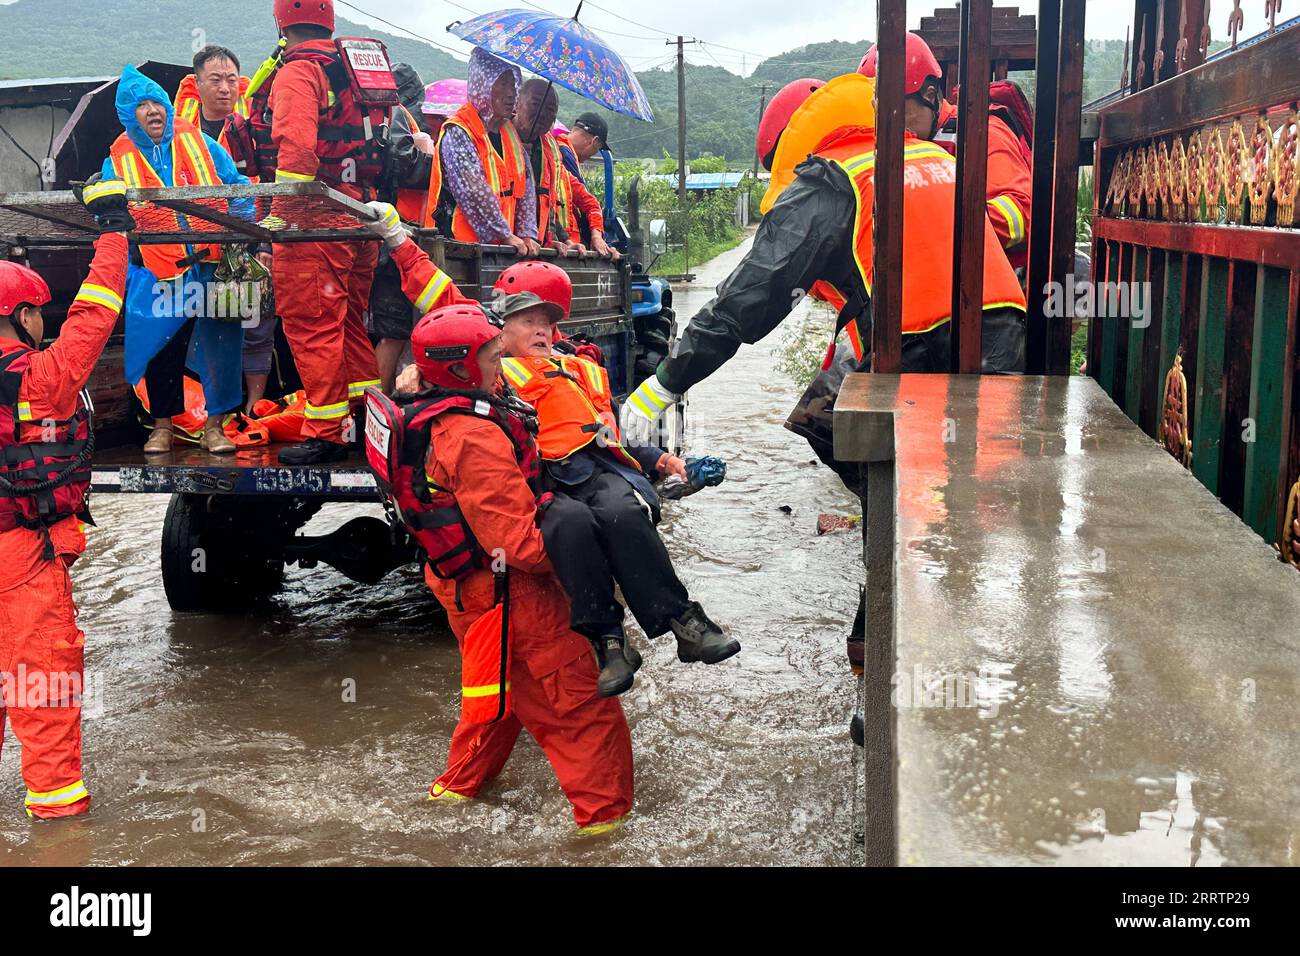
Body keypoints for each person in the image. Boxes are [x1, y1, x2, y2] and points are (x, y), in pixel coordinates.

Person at [620, 30, 1028, 478]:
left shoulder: (831, 179)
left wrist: (666, 382)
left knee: (841, 434)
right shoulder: (925, 154)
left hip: (923, 340)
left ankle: (890, 511)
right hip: (1005, 331)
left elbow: (752, 295)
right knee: (977, 470)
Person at [368, 296, 633, 832]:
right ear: (461, 368)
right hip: (511, 595)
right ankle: (606, 828)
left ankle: (452, 797)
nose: (501, 363)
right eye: (492, 356)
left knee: (498, 694)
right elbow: (519, 545)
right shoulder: (473, 436)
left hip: (465, 589)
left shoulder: (433, 405)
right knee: (579, 707)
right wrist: (592, 543)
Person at [493, 261, 740, 697]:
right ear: (500, 332)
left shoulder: (580, 370)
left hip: (598, 467)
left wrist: (666, 461)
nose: (541, 330)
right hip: (544, 481)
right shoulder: (493, 375)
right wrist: (415, 374)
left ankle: (685, 621)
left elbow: (612, 433)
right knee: (570, 526)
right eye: (528, 321)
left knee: (623, 511)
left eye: (546, 322)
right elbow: (446, 363)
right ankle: (609, 641)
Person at [0, 178, 134, 819]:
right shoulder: (38, 380)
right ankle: (57, 833)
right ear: (21, 316)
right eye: (36, 313)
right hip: (22, 557)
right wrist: (115, 232)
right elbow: (93, 316)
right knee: (42, 685)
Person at [262, 0, 392, 465]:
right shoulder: (357, 70)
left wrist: (281, 219)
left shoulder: (300, 72)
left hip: (314, 223)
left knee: (312, 324)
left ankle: (327, 431)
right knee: (348, 322)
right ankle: (362, 420)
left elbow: (297, 152)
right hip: (361, 218)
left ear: (281, 22)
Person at [102, 65, 250, 454]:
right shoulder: (117, 159)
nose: (153, 111)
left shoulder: (199, 141)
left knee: (222, 344)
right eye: (142, 105)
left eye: (157, 102)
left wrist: (246, 227)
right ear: (128, 115)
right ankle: (162, 427)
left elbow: (237, 185)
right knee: (159, 348)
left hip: (214, 266)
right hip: (158, 272)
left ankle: (215, 428)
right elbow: (106, 209)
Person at [860, 42, 1033, 272]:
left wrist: (941, 226)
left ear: (930, 96)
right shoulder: (914, 144)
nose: (887, 127)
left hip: (1007, 279)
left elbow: (1020, 212)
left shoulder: (982, 132)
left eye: (896, 113)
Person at [423, 48, 540, 257]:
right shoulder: (460, 130)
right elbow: (472, 190)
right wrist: (504, 234)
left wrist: (526, 233)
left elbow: (527, 186)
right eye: (502, 84)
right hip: (458, 248)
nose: (511, 93)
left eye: (513, 84)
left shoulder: (508, 132)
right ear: (483, 86)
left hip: (503, 249)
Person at [372, 63, 437, 393]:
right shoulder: (397, 113)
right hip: (396, 238)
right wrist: (433, 158)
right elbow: (403, 166)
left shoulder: (386, 114)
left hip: (396, 236)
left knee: (394, 329)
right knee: (393, 330)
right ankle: (377, 403)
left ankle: (378, 401)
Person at [513, 81, 617, 259]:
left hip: (543, 246)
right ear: (517, 104)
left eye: (550, 110)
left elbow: (546, 204)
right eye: (536, 104)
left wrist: (560, 239)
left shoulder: (550, 151)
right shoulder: (500, 136)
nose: (542, 115)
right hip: (511, 246)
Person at [173, 45, 251, 146]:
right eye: (215, 80)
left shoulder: (257, 126)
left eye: (231, 80)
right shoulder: (171, 128)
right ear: (197, 82)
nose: (225, 89)